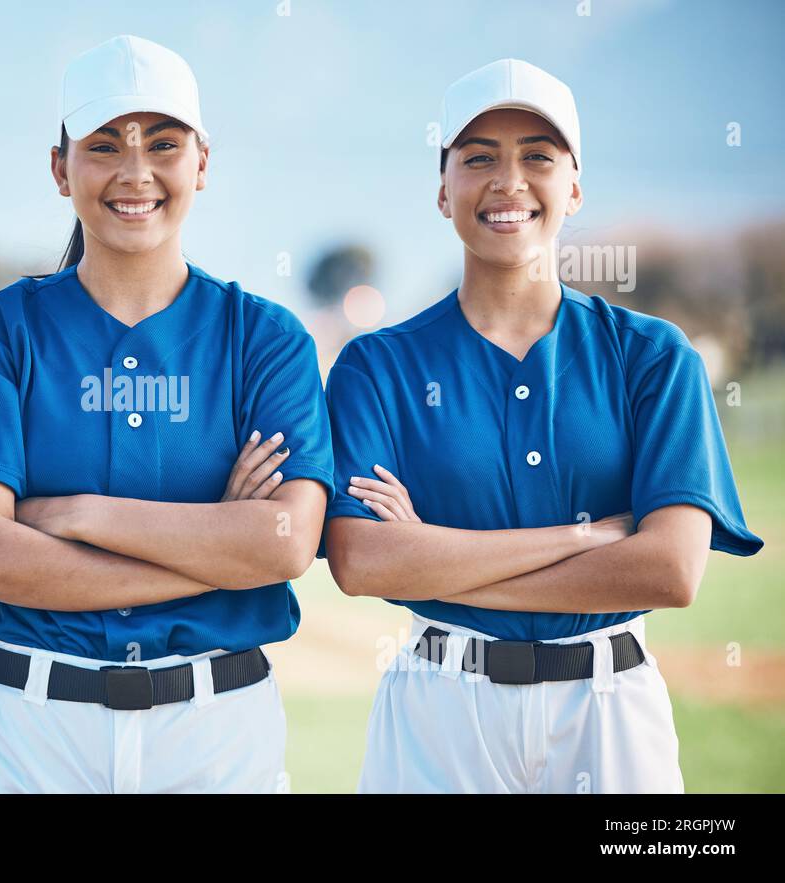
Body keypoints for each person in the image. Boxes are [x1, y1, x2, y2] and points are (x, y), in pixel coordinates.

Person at [323, 58, 763, 793]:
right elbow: (364, 563)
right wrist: (586, 536)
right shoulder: (378, 365)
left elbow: (671, 569)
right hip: (439, 712)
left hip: (611, 709)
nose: (508, 182)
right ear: (443, 189)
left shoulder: (653, 356)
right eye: (478, 158)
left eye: (537, 157)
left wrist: (436, 558)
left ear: (575, 186)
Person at [0, 35, 333, 793]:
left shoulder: (267, 339)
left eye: (164, 144)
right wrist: (212, 546)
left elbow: (281, 545)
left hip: (217, 729)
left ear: (201, 162)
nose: (135, 172)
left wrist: (77, 514)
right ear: (60, 168)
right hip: (31, 728)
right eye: (104, 145)